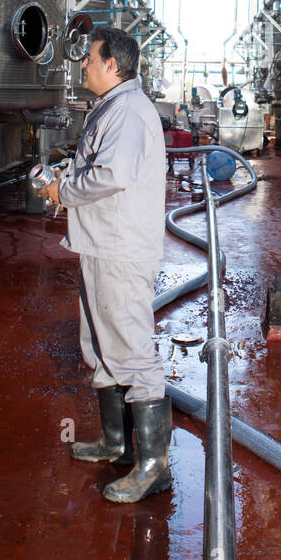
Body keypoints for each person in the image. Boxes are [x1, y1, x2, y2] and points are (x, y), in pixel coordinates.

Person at [36, 26, 171, 503]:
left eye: (90, 59)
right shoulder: (113, 107)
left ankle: (154, 465)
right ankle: (116, 441)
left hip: (120, 248)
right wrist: (64, 179)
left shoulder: (130, 111)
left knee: (131, 348)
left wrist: (63, 192)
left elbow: (112, 174)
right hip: (100, 245)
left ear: (113, 64)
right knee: (98, 343)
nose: (83, 66)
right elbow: (97, 165)